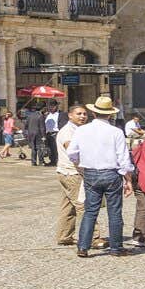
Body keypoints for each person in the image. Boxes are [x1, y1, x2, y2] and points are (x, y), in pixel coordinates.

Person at [67, 95, 133, 258]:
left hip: (90, 173)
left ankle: (83, 246)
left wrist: (81, 163)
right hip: (111, 173)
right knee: (114, 211)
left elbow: (71, 152)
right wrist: (128, 180)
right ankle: (116, 248)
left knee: (90, 211)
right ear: (110, 114)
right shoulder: (116, 132)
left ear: (94, 113)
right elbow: (124, 158)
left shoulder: (81, 130)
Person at [54, 103, 103, 248]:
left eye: (84, 114)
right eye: (79, 114)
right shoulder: (69, 132)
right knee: (84, 204)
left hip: (65, 171)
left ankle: (64, 235)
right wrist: (87, 170)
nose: (82, 116)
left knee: (68, 206)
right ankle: (94, 237)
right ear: (70, 115)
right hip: (73, 172)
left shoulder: (79, 130)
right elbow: (73, 153)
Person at [22, 101, 46, 166]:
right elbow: (42, 127)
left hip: (31, 133)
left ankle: (33, 162)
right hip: (38, 134)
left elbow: (26, 125)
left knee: (33, 148)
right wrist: (44, 136)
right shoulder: (40, 116)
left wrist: (26, 133)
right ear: (43, 108)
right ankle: (41, 161)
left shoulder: (30, 115)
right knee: (40, 148)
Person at [42, 103, 63, 167]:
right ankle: (52, 161)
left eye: (53, 107)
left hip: (55, 133)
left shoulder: (59, 114)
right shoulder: (47, 115)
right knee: (50, 149)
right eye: (50, 107)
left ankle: (57, 161)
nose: (51, 108)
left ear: (56, 107)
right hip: (48, 133)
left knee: (56, 148)